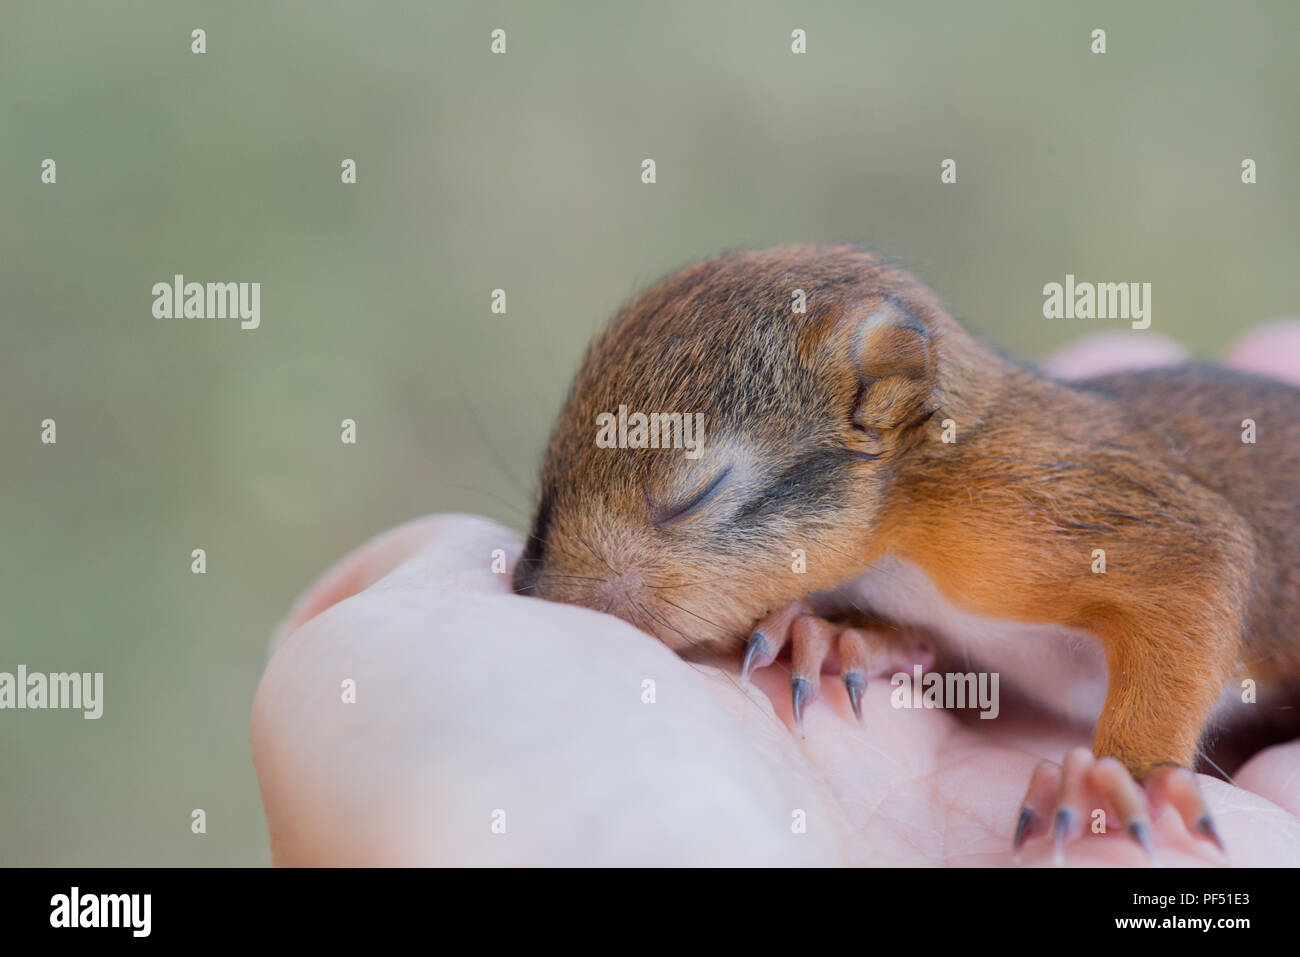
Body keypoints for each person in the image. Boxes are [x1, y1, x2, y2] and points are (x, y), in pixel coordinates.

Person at [250, 325, 1300, 866]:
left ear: (885, 407)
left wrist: (1132, 770)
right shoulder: (866, 556)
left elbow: (1198, 563)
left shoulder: (1005, 502)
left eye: (695, 498)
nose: (564, 598)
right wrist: (859, 629)